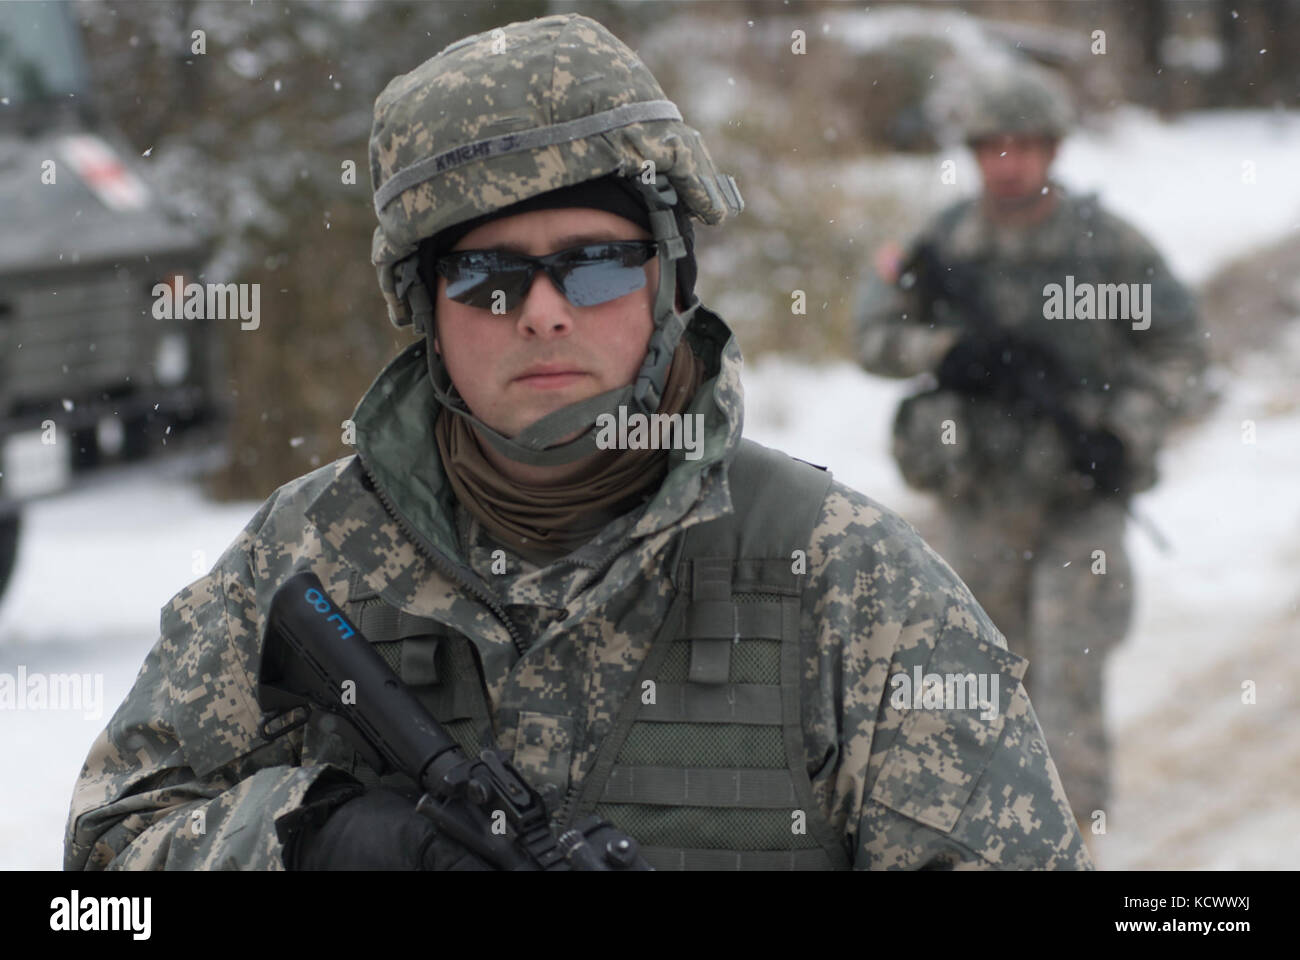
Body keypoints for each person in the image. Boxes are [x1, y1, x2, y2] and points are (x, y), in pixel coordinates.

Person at [65, 14, 1091, 871]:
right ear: (426, 307)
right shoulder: (307, 552)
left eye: (595, 266)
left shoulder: (846, 582)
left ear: (667, 282)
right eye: (489, 278)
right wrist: (323, 834)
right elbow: (102, 871)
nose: (543, 315)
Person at [857, 63, 1206, 847]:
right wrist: (947, 351)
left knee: (1070, 686)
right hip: (978, 497)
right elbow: (872, 336)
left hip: (1078, 498)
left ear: (1053, 149)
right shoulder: (943, 243)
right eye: (993, 147)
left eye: (1024, 146)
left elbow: (1182, 348)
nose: (1008, 162)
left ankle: (1073, 844)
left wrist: (1126, 430)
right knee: (974, 686)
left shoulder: (1106, 246)